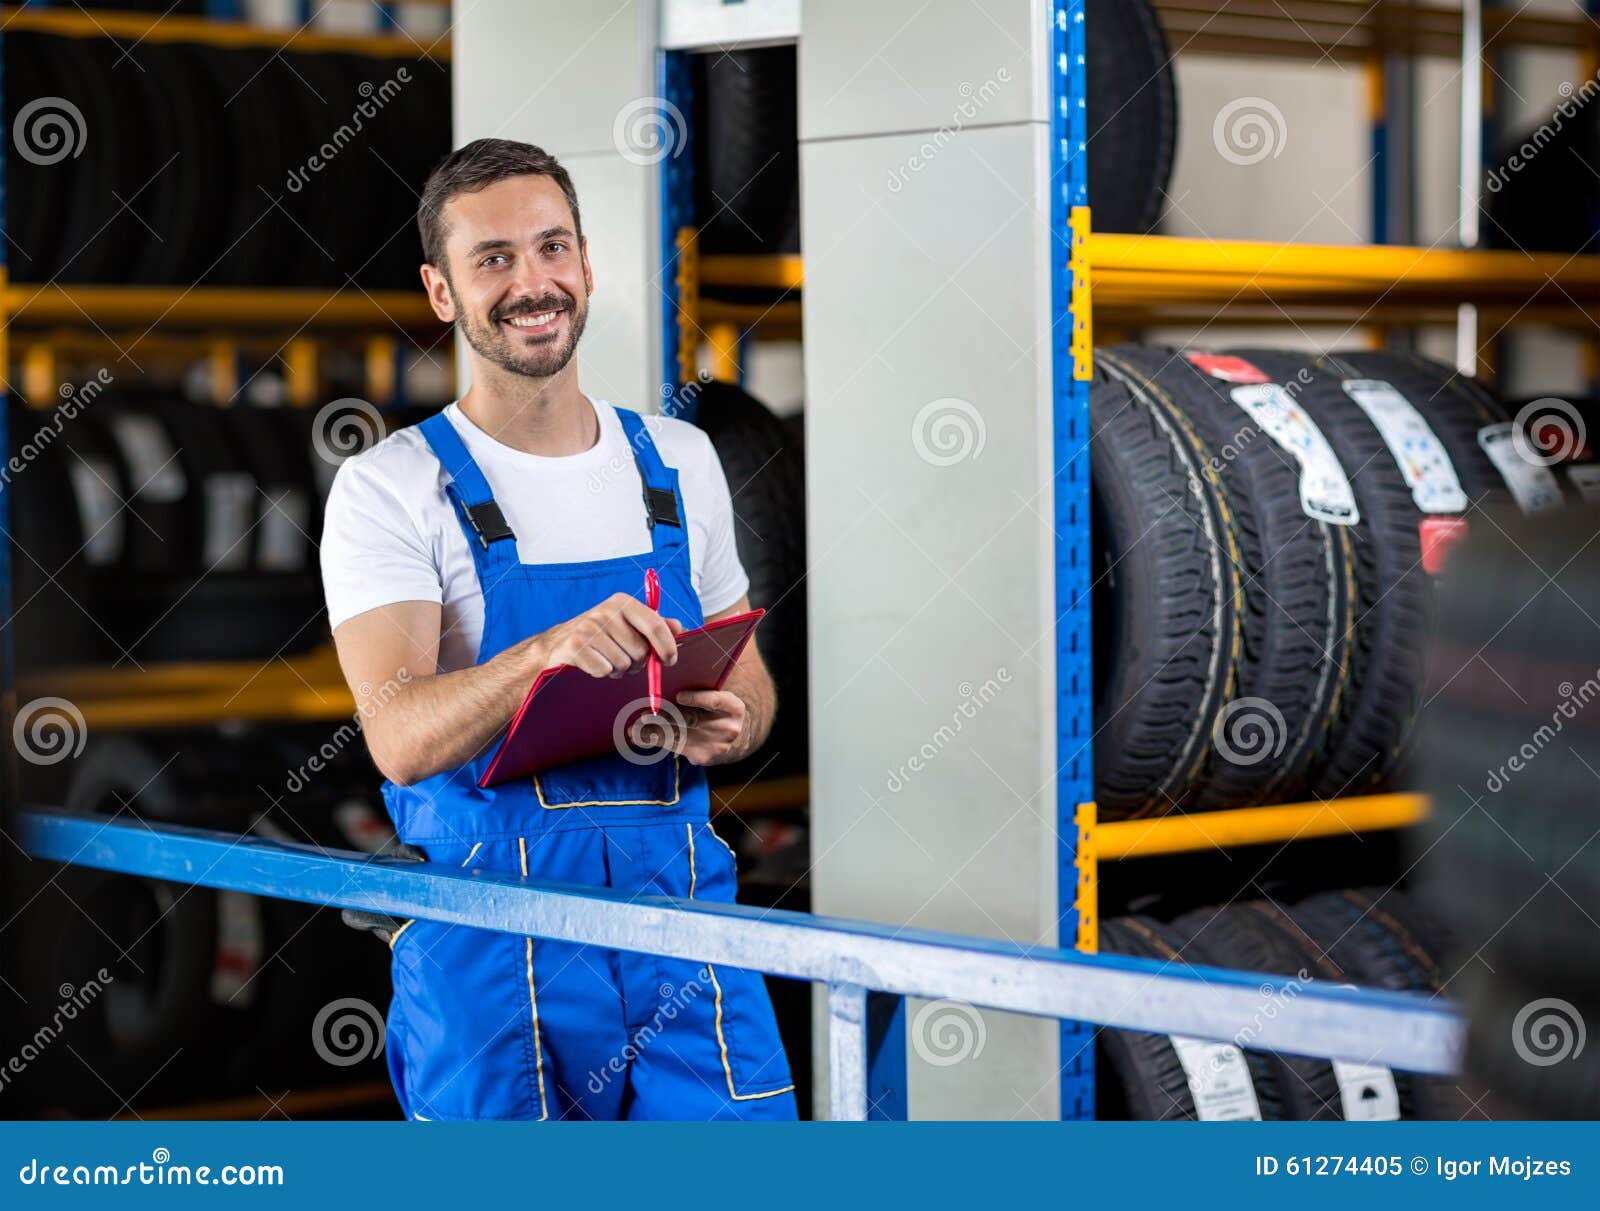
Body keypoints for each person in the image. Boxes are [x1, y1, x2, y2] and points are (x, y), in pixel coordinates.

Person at [320, 137, 796, 1121]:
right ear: (441, 291)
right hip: (493, 942)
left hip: (680, 923)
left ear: (584, 264)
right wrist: (543, 652)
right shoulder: (393, 488)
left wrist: (734, 719)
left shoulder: (680, 460)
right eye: (492, 258)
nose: (530, 281)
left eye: (551, 248)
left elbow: (749, 682)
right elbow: (400, 737)